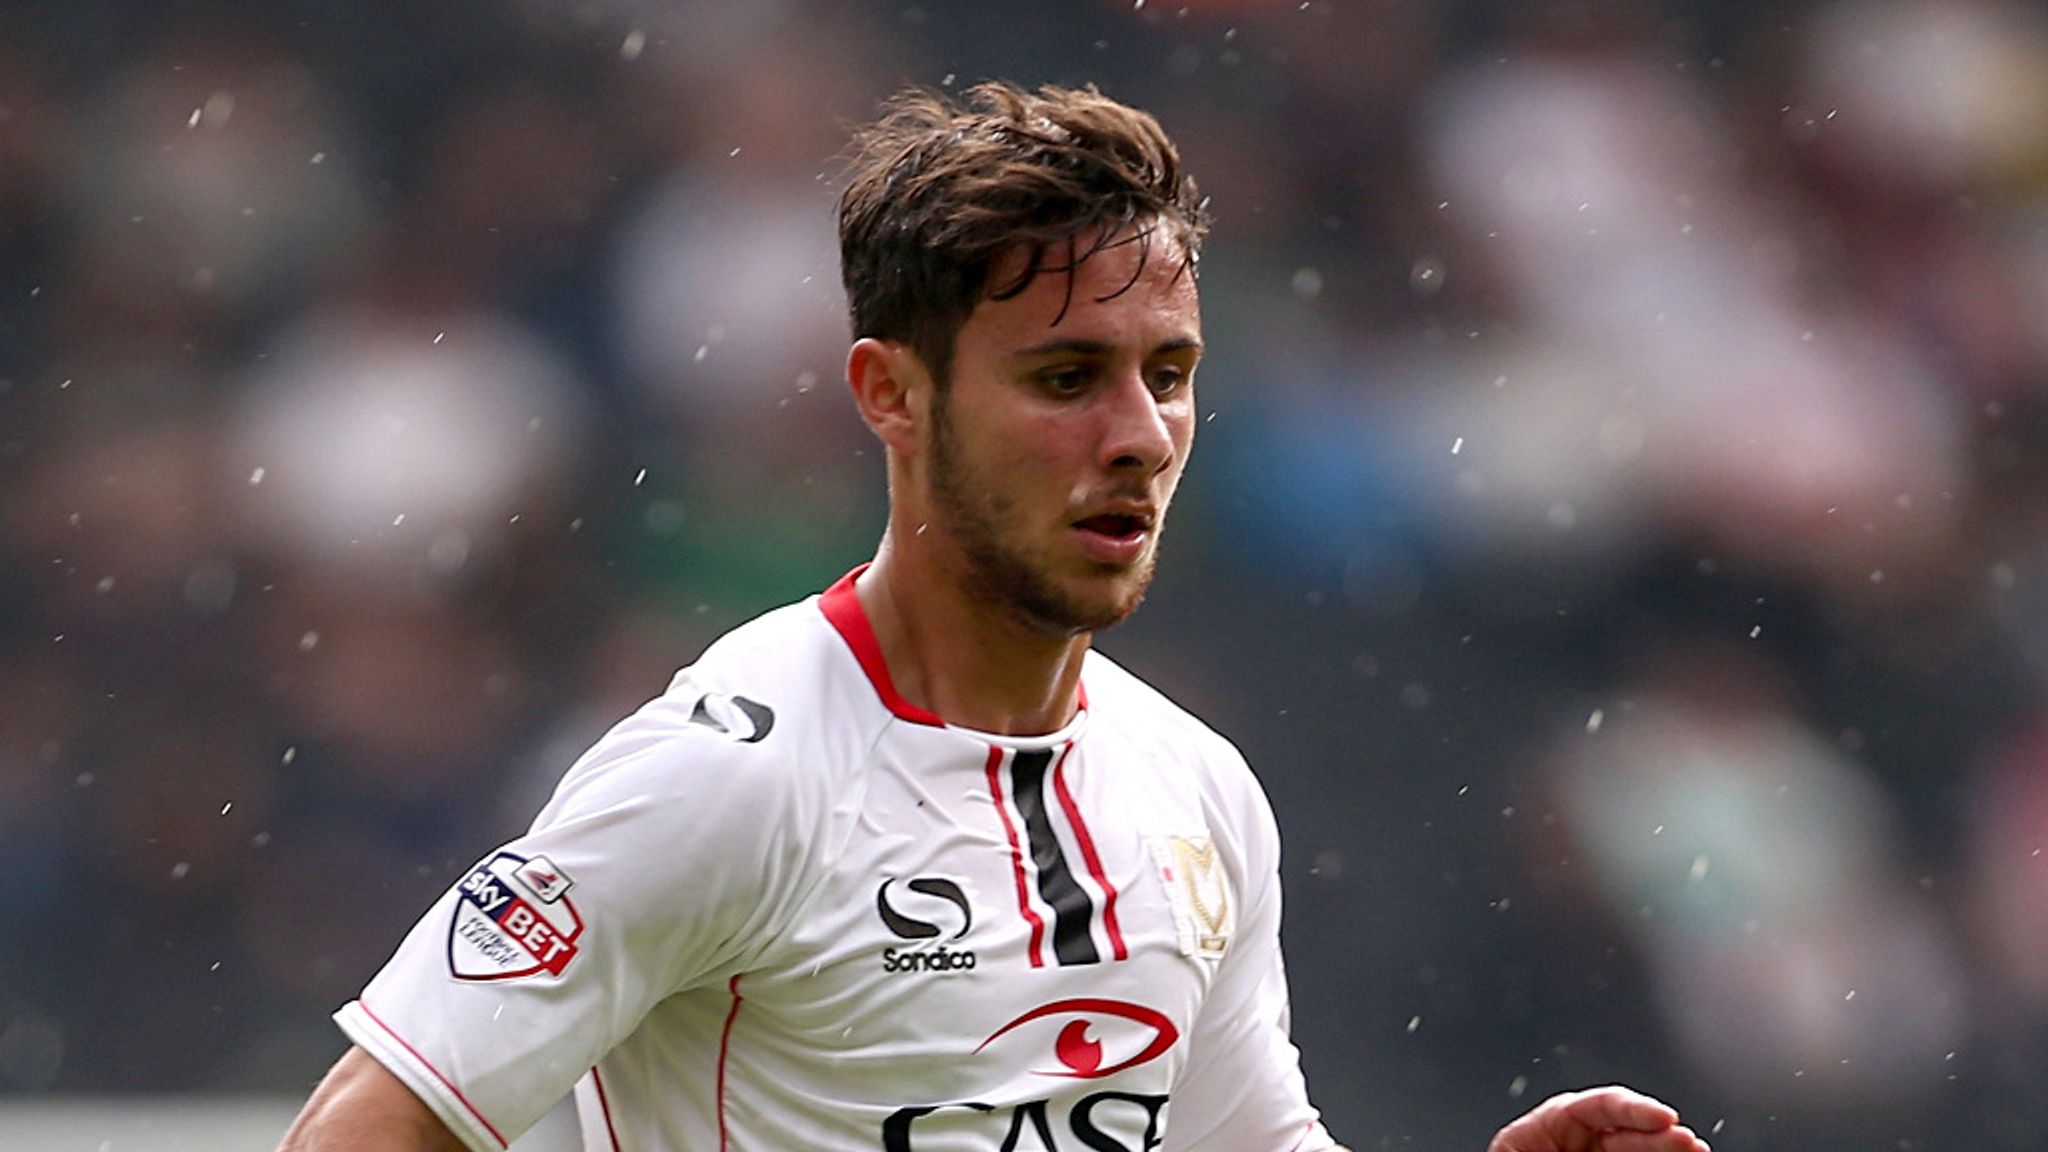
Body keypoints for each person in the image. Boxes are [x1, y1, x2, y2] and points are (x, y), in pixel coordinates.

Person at [277, 81, 1710, 1152]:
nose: (1142, 432)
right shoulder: (728, 775)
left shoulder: (1197, 789)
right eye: (1067, 376)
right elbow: (368, 1126)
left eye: (1171, 371)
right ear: (891, 395)